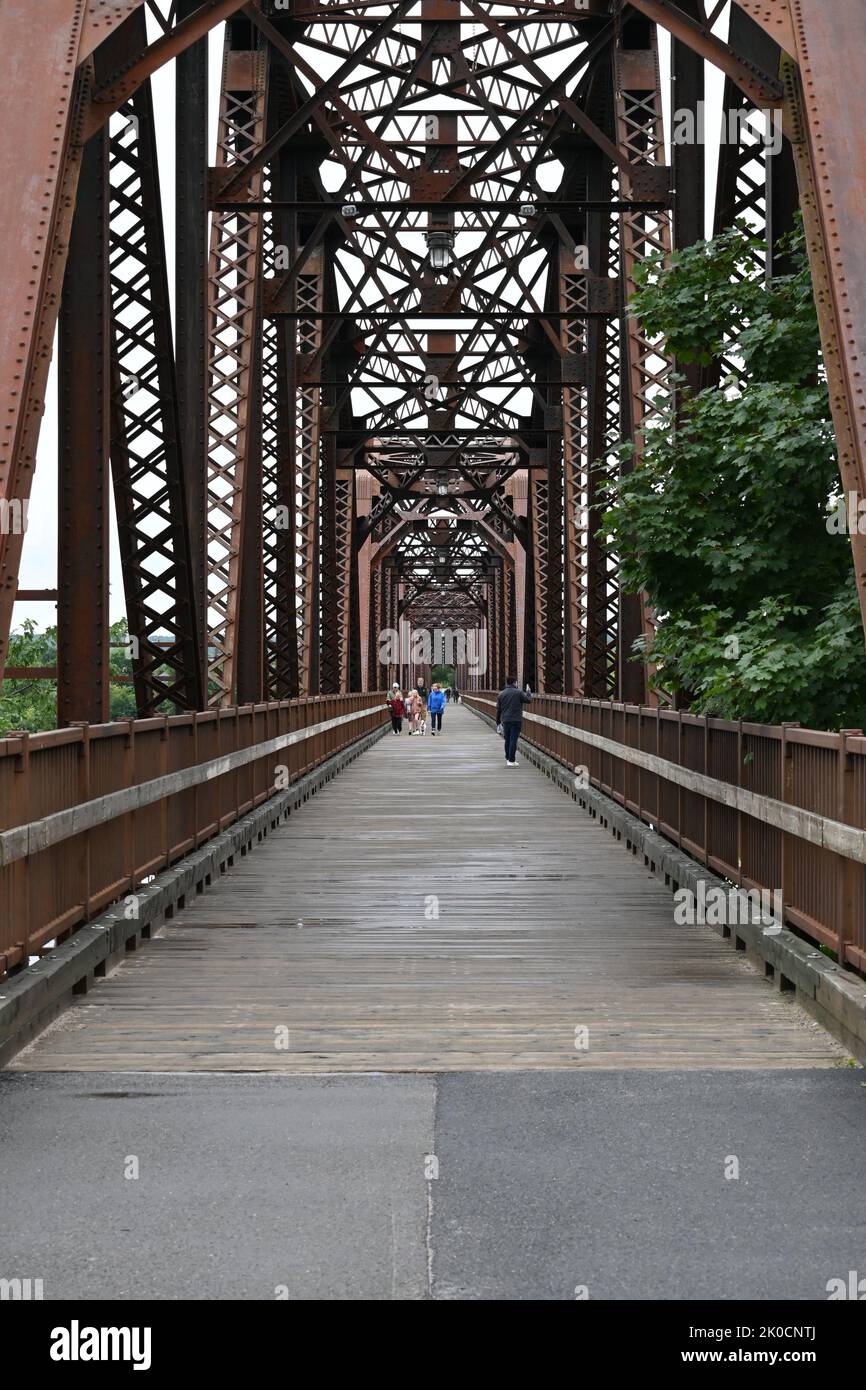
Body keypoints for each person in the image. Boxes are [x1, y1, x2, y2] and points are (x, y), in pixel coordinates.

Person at [495, 675, 532, 767]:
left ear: (507, 683)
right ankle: (511, 760)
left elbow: (498, 710)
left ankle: (508, 758)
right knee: (513, 740)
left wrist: (498, 722)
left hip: (505, 720)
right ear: (514, 683)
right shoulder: (519, 692)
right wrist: (528, 692)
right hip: (516, 720)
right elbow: (529, 700)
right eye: (516, 683)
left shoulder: (501, 694)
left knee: (507, 739)